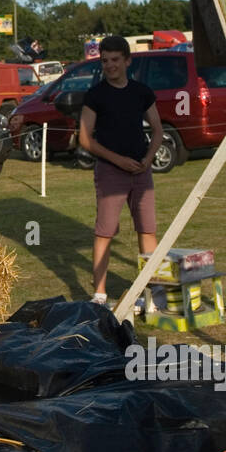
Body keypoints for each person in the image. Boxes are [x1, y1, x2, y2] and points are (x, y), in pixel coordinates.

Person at [78, 35, 163, 313]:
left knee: (147, 229)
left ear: (127, 60)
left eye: (115, 60)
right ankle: (99, 295)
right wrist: (118, 161)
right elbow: (85, 139)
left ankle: (152, 292)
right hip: (110, 173)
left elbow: (158, 131)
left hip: (141, 172)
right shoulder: (95, 95)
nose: (110, 65)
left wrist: (147, 160)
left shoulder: (141, 91)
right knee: (105, 232)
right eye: (105, 61)